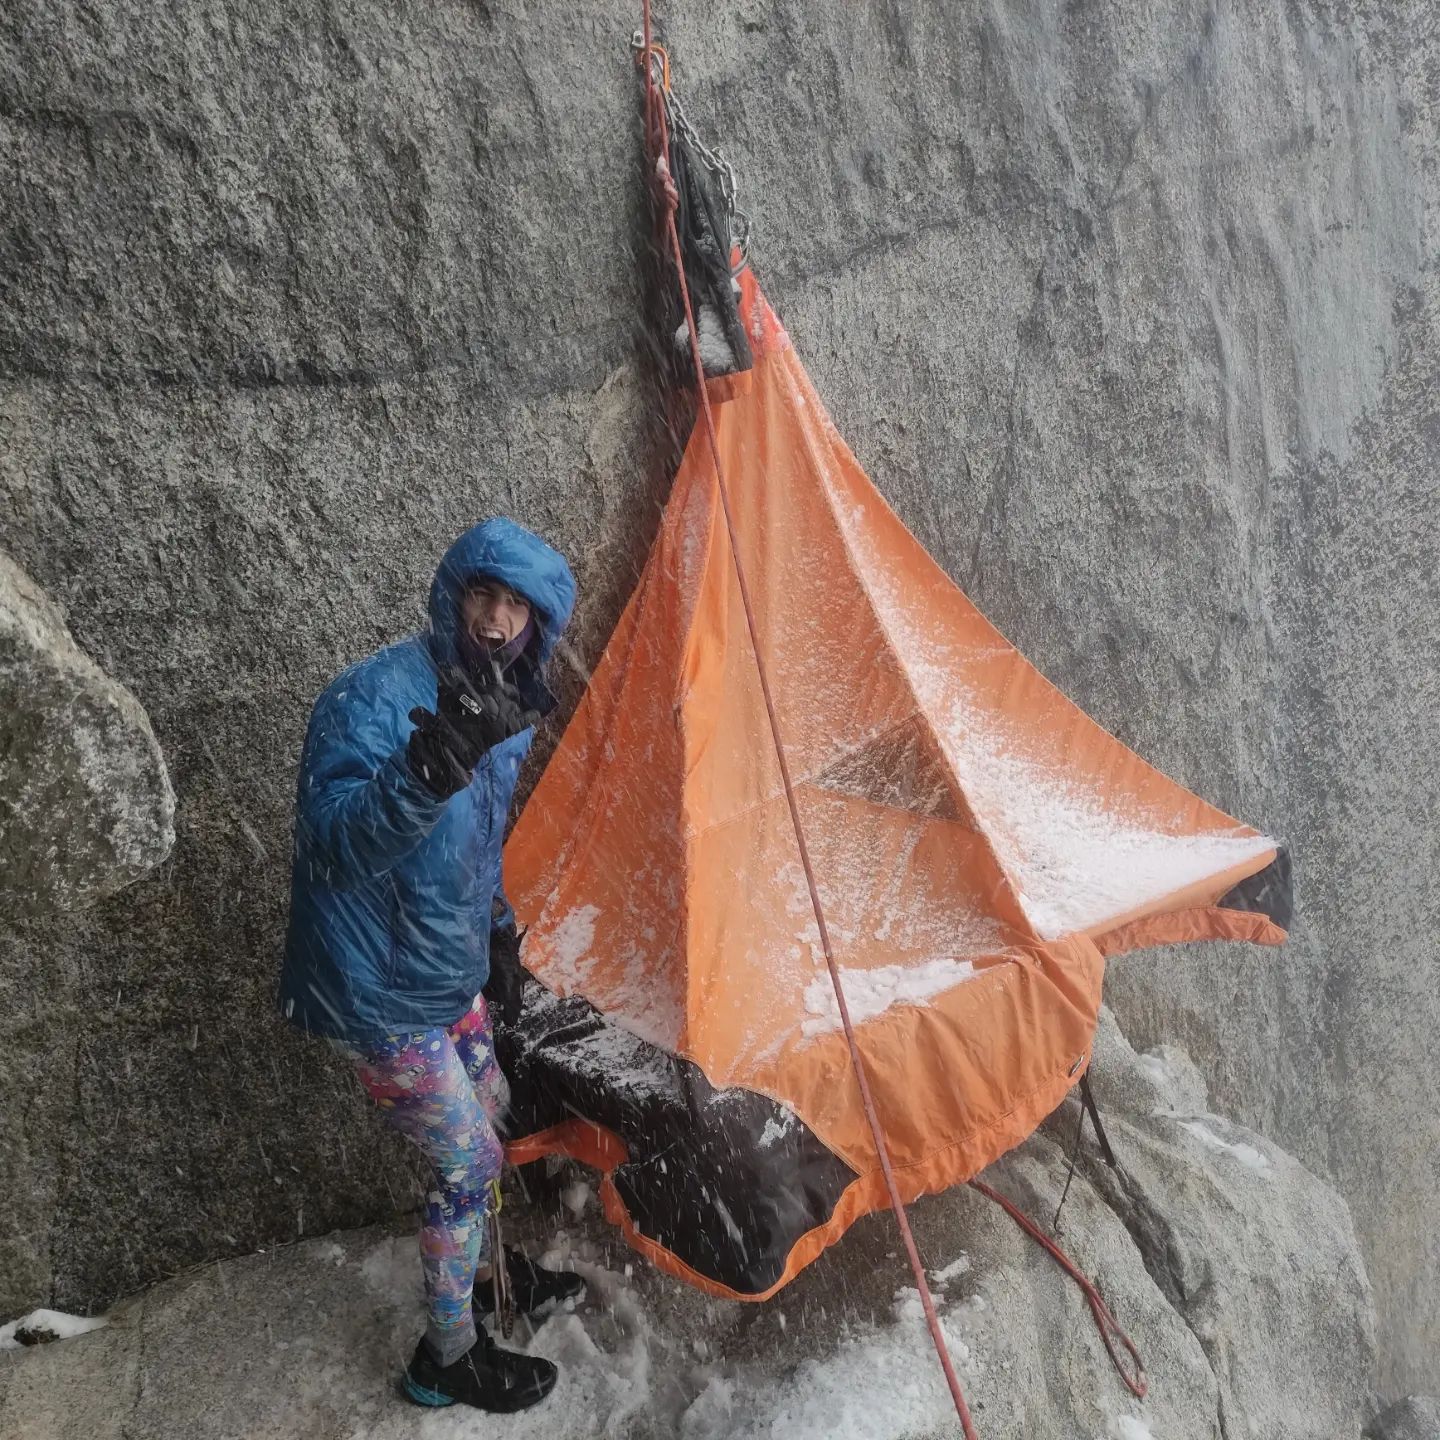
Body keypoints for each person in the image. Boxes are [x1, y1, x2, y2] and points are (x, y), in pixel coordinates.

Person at [278, 517, 583, 1413]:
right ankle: (443, 1357)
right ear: (452, 595)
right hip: (378, 990)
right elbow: (332, 846)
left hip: (446, 968)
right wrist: (421, 772)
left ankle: (484, 1273)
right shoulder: (371, 702)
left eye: (515, 605)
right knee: (471, 1165)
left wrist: (497, 934)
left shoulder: (504, 711)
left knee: (494, 1105)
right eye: (481, 595)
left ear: (537, 624)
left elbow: (474, 844)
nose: (494, 619)